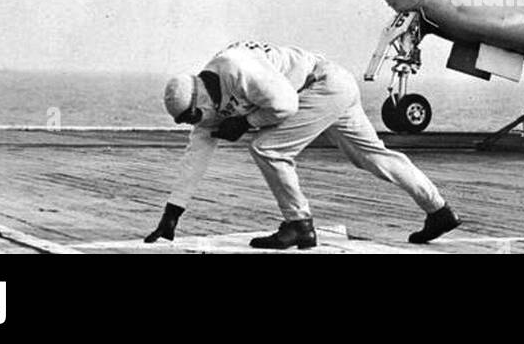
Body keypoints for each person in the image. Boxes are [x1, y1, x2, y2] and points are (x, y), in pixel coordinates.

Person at [145, 40, 461, 249]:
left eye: (191, 116)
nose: (194, 123)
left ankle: (299, 224)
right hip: (332, 84)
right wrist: (172, 214)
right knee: (370, 156)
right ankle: (439, 211)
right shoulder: (206, 102)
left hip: (323, 84)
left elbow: (285, 104)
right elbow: (196, 156)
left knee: (268, 149)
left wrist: (245, 122)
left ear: (199, 99)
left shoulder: (236, 69)